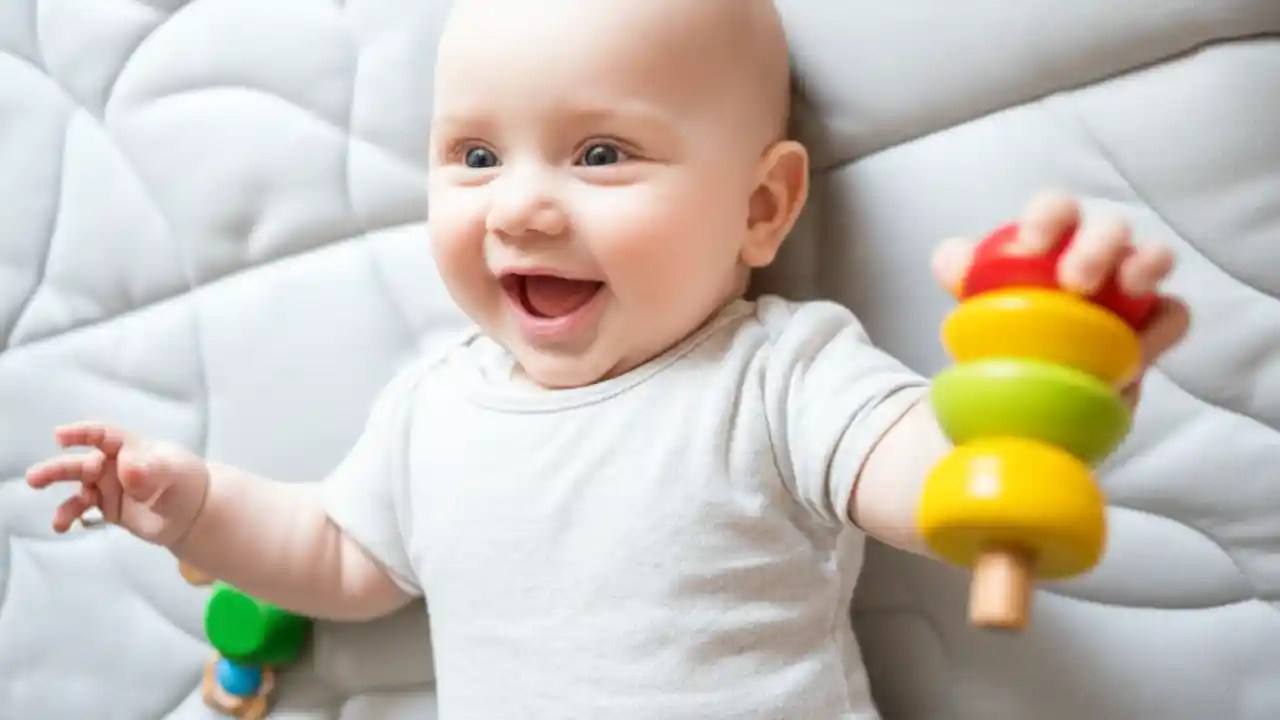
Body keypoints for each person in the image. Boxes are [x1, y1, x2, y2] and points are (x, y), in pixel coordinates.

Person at [25, 0, 1189, 717]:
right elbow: (337, 556)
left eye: (598, 152)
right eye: (474, 156)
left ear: (762, 207)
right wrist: (194, 508)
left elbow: (938, 478)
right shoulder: (436, 409)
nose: (520, 208)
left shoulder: (776, 375)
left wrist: (1054, 380)